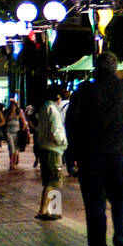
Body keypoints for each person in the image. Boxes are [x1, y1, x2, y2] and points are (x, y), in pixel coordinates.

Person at [65, 51, 123, 246]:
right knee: (121, 199)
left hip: (91, 156)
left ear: (96, 68)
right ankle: (122, 239)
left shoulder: (85, 90)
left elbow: (72, 122)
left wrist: (74, 153)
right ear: (115, 68)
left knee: (95, 205)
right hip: (119, 155)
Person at [35, 86, 68, 220]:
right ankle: (46, 210)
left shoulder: (44, 109)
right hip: (53, 148)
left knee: (49, 179)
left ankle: (49, 209)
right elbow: (55, 130)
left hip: (44, 147)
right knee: (54, 179)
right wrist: (63, 142)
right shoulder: (52, 110)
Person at [4, 98, 29, 170]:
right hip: (9, 132)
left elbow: (24, 122)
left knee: (15, 148)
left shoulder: (19, 112)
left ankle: (13, 162)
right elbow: (5, 121)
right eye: (11, 104)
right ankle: (11, 162)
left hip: (16, 132)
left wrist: (22, 131)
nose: (12, 106)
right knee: (11, 148)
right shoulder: (7, 112)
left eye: (13, 104)